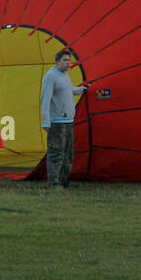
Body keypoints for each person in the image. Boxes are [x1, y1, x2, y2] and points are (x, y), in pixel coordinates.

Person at [40, 49, 86, 188]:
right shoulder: (51, 76)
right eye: (65, 60)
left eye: (69, 61)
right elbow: (45, 99)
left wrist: (81, 89)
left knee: (67, 153)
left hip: (68, 121)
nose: (68, 63)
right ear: (57, 61)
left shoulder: (65, 75)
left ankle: (63, 180)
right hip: (56, 122)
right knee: (56, 152)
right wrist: (46, 121)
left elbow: (68, 90)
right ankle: (54, 183)